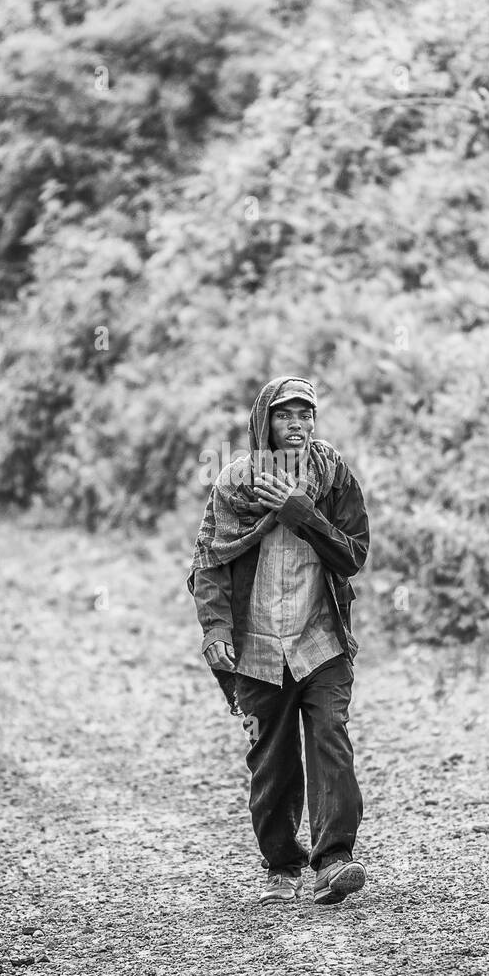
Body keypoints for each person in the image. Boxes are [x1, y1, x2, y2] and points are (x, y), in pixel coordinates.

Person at [187, 376, 370, 905]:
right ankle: (282, 865)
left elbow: (352, 554)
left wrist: (301, 513)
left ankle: (334, 860)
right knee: (272, 759)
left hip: (320, 637)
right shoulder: (235, 484)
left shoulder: (331, 476)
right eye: (286, 416)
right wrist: (216, 628)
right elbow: (211, 560)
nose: (298, 426)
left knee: (330, 737)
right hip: (258, 645)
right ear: (264, 422)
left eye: (306, 415)